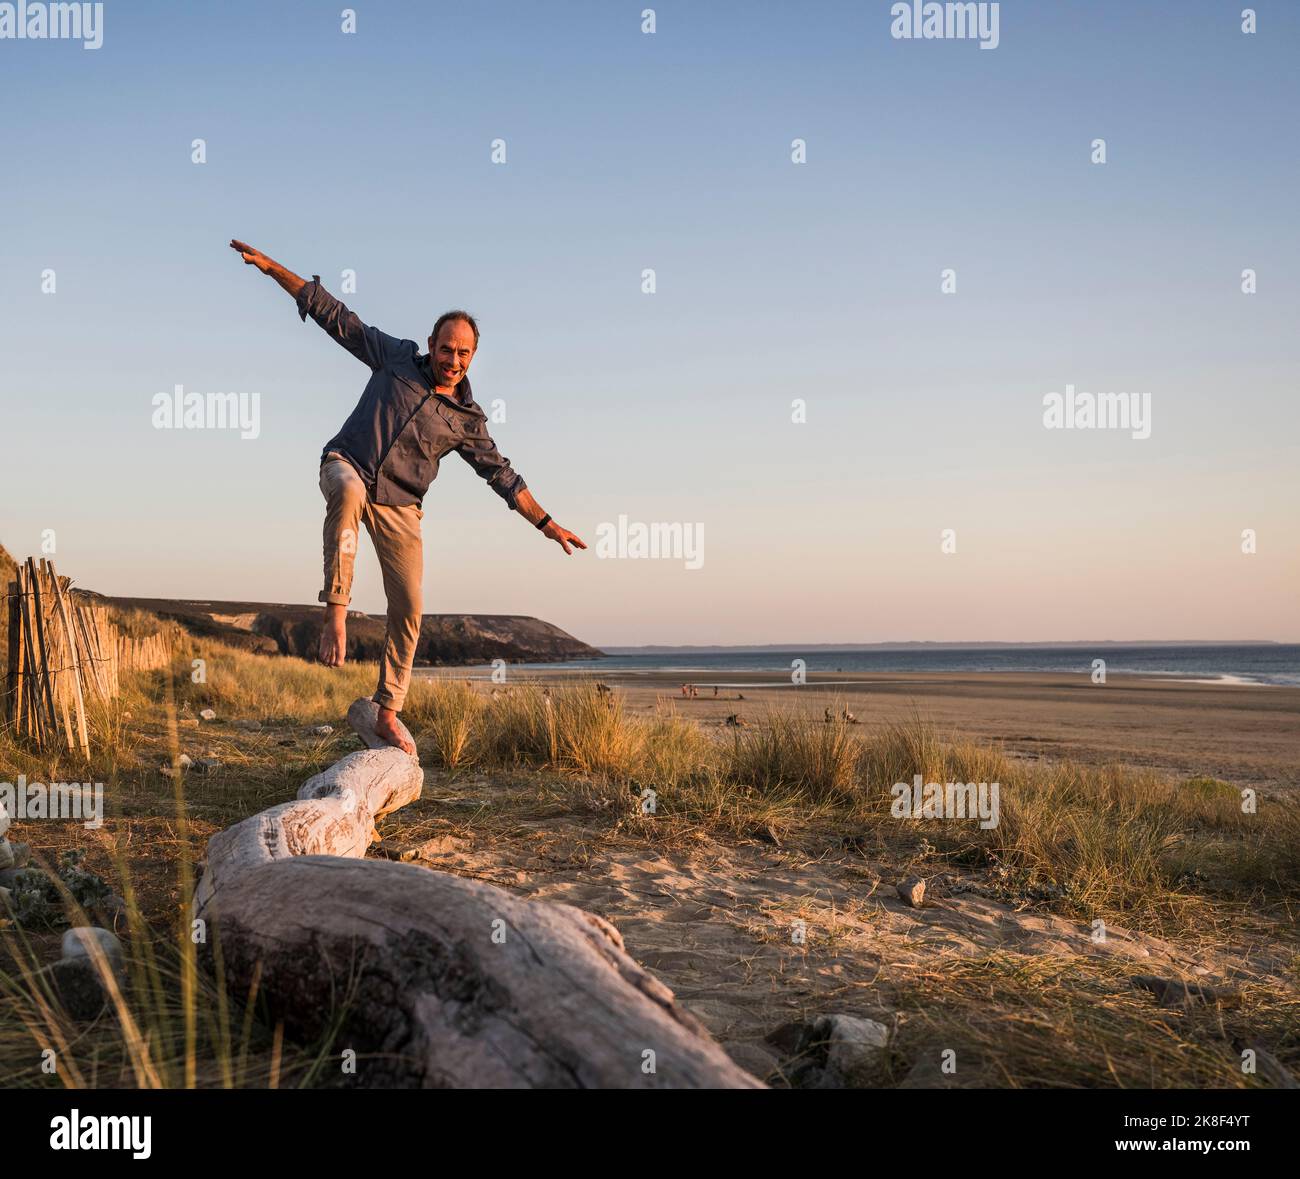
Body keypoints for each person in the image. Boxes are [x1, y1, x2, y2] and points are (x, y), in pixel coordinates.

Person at [229, 240, 586, 753]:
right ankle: (335, 615)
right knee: (349, 493)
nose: (453, 360)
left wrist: (548, 524)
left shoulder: (468, 422)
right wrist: (270, 269)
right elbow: (336, 317)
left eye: (464, 353)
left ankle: (388, 710)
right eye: (447, 349)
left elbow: (502, 476)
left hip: (401, 505)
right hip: (347, 464)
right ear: (431, 345)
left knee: (412, 606)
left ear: (474, 357)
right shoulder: (395, 358)